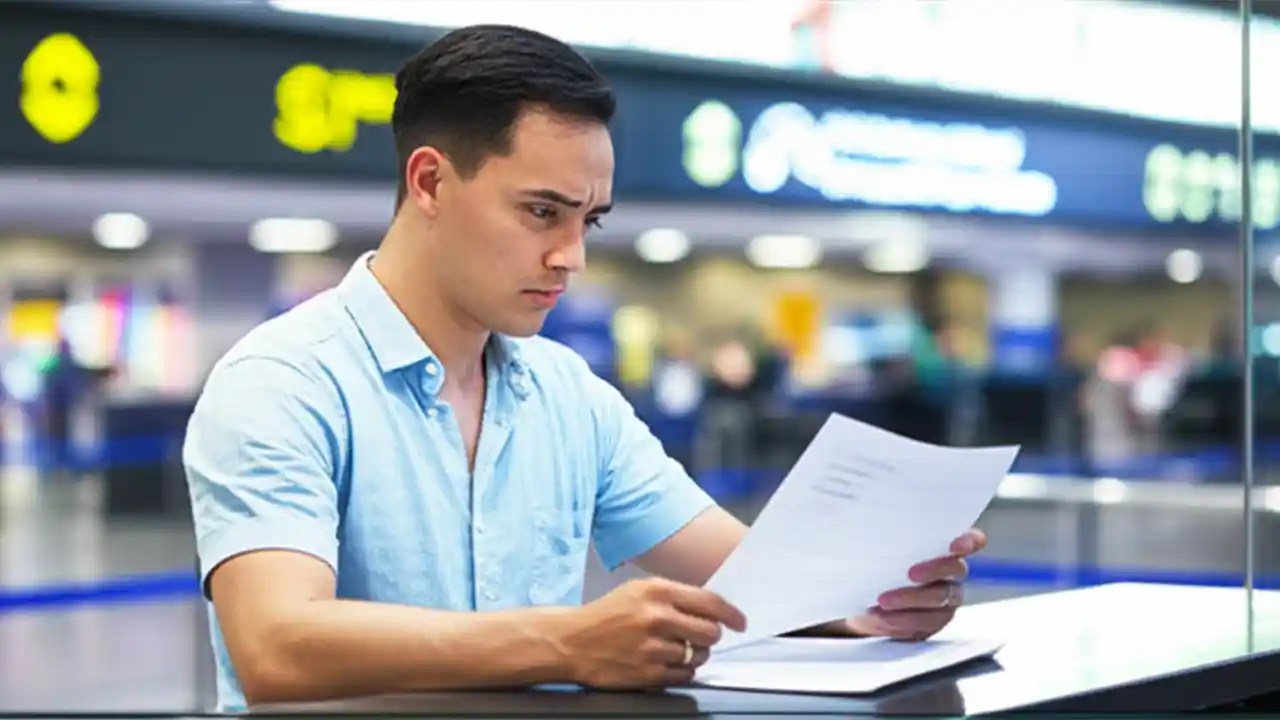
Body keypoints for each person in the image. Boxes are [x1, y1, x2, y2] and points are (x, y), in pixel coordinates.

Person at [183, 24, 988, 712]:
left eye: (588, 221)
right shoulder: (284, 383)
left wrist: (859, 608)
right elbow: (277, 646)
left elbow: (750, 576)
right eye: (542, 212)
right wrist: (567, 641)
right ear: (429, 181)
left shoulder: (568, 397)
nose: (570, 257)